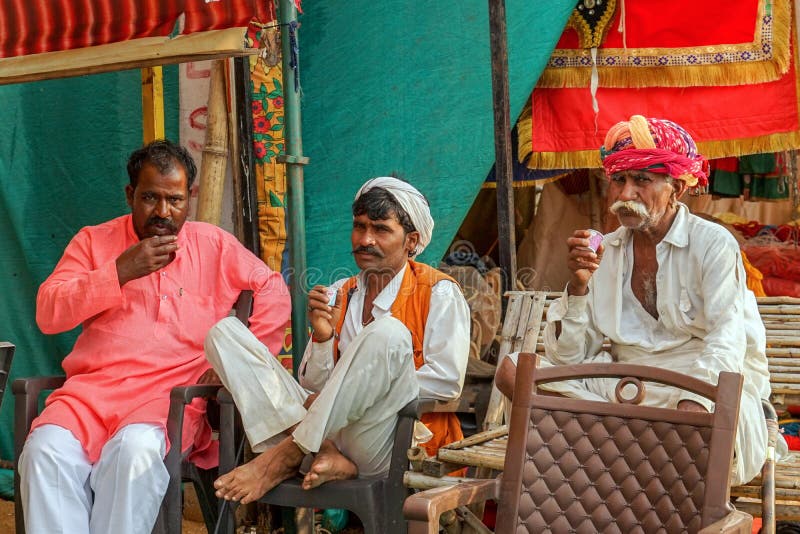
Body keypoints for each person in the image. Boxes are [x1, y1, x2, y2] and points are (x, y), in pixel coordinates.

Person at [18, 140, 291, 534]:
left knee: (134, 454)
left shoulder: (211, 243)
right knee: (43, 453)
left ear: (189, 199)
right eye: (150, 197)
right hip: (87, 397)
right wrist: (119, 271)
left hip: (165, 403)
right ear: (130, 194)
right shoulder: (94, 241)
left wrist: (236, 367)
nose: (164, 212)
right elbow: (48, 311)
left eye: (175, 200)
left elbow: (271, 290)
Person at [497, 115, 772, 486]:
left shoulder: (712, 244)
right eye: (619, 180)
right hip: (624, 392)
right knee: (514, 370)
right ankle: (627, 448)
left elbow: (727, 342)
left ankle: (616, 450)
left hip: (696, 388)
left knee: (703, 416)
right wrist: (578, 287)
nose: (626, 194)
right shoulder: (604, 252)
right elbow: (569, 359)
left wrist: (696, 405)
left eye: (642, 180)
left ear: (677, 187)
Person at [205, 176, 470, 504]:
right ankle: (325, 452)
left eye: (381, 230)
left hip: (393, 440)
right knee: (224, 334)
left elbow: (447, 381)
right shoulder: (339, 293)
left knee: (388, 333)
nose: (366, 239)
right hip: (327, 435)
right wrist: (321, 337)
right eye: (360, 227)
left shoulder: (439, 292)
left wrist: (350, 392)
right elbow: (312, 384)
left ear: (412, 241)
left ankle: (289, 454)